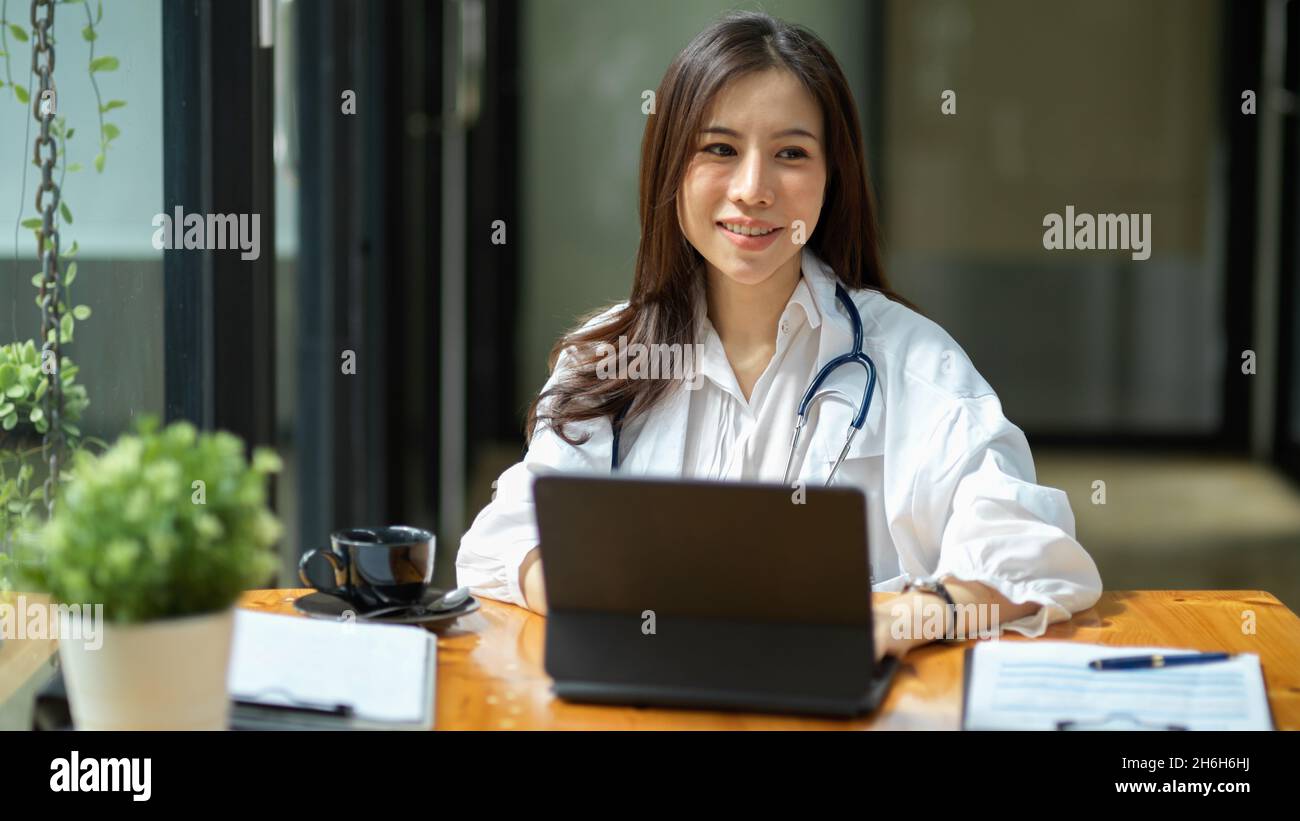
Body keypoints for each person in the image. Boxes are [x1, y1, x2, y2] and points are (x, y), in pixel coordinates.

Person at [457, 10, 1102, 660]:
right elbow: (502, 538)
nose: (752, 189)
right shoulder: (606, 360)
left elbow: (1033, 549)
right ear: (669, 169)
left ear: (833, 175)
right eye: (720, 149)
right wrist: (610, 600)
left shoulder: (913, 362)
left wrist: (905, 616)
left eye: (790, 154)